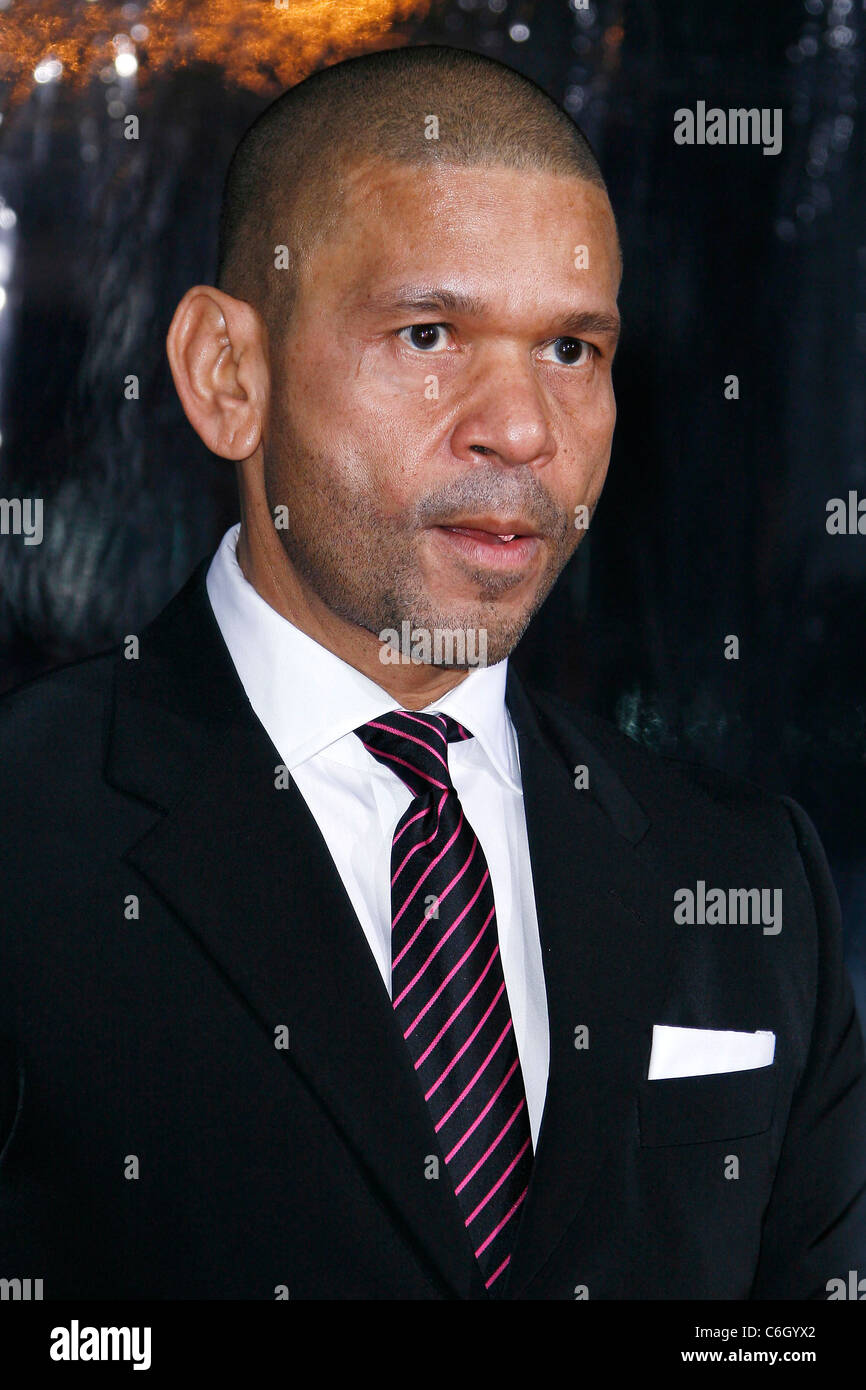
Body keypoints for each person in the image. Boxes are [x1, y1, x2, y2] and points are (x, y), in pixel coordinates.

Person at [1, 44, 864, 1301]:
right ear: (226, 375)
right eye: (427, 332)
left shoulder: (744, 880)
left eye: (571, 349)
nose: (519, 428)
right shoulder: (26, 837)